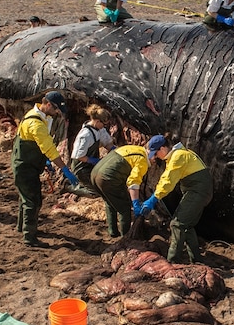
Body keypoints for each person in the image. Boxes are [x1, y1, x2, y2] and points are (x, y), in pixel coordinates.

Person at [12, 91, 79, 248]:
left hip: (28, 163)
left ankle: (22, 227)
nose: (57, 113)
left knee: (25, 197)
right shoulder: (36, 124)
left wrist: (45, 161)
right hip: (25, 166)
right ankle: (29, 237)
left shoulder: (38, 115)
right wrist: (65, 169)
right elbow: (49, 148)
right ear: (48, 104)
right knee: (32, 200)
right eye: (56, 109)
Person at [135, 135, 213, 264]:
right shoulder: (179, 154)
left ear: (163, 148)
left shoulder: (178, 156)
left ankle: (172, 260)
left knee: (177, 224)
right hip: (198, 192)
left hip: (197, 192)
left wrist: (153, 199)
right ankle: (196, 259)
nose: (155, 157)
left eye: (156, 153)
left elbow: (168, 181)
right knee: (187, 225)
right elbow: (167, 179)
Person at [91, 141, 152, 239]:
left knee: (110, 202)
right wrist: (135, 203)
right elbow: (133, 183)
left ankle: (113, 232)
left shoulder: (133, 148)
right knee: (124, 209)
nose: (154, 160)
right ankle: (126, 237)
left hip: (94, 174)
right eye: (154, 157)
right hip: (107, 178)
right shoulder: (143, 161)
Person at [69, 104, 115, 196]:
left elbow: (107, 143)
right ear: (97, 121)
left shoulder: (99, 129)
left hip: (92, 166)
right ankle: (69, 186)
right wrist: (93, 160)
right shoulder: (85, 135)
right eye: (104, 124)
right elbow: (78, 156)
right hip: (82, 168)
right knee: (95, 193)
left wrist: (115, 150)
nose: (105, 126)